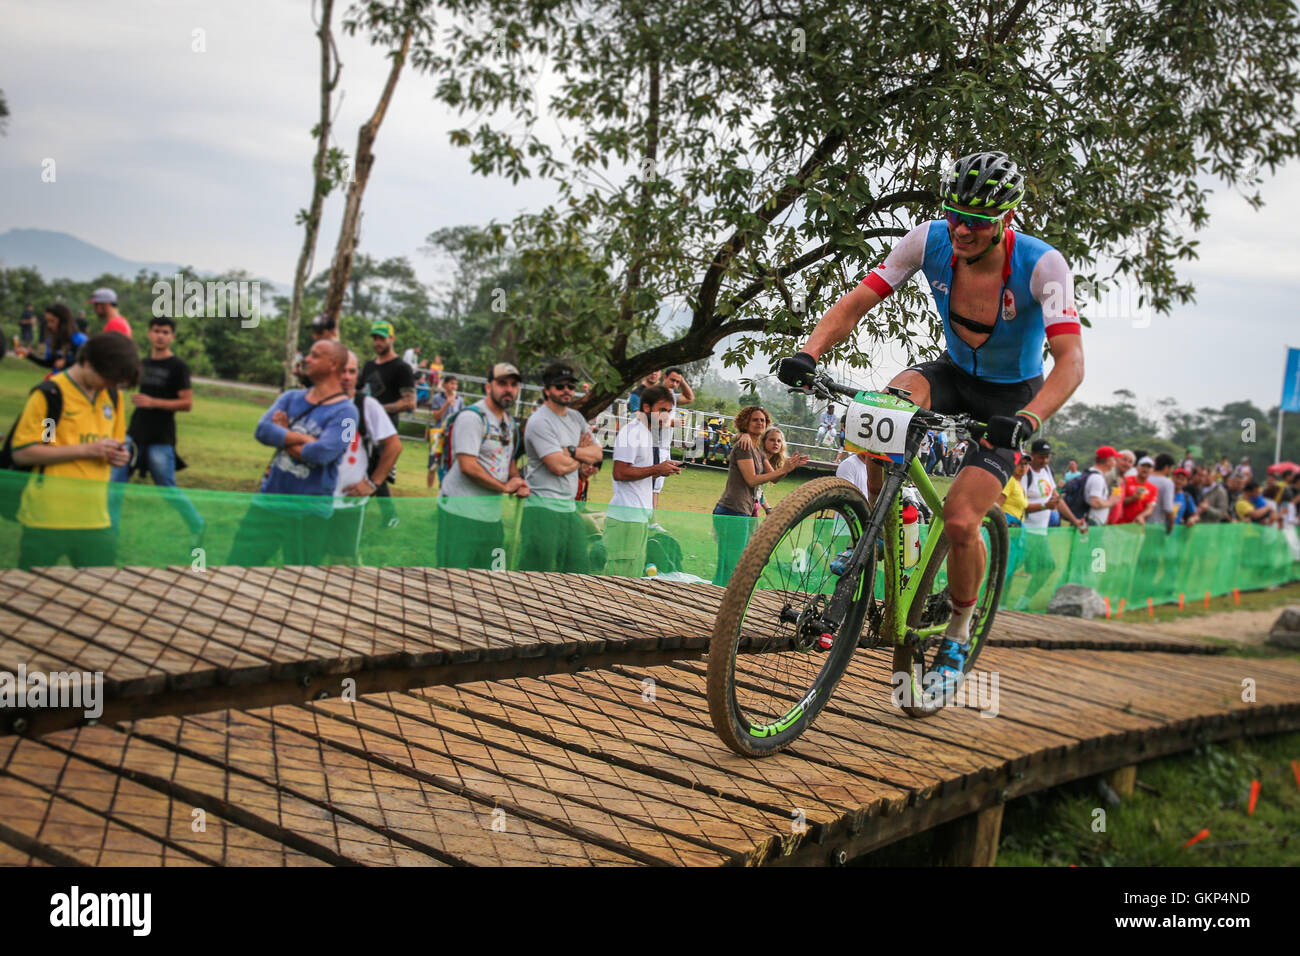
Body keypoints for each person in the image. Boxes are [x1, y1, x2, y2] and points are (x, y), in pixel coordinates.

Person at [777, 150, 1083, 689]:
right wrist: (810, 353)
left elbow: (1071, 364)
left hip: (1010, 398)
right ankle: (878, 526)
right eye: (954, 214)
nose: (962, 229)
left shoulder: (1042, 265)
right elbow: (856, 303)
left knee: (963, 521)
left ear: (1005, 219)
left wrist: (1028, 421)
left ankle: (959, 634)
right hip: (951, 372)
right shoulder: (928, 239)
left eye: (978, 220)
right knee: (881, 413)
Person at [8, 334, 140, 569]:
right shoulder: (51, 396)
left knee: (97, 597)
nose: (110, 384)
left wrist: (119, 456)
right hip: (47, 520)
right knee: (33, 597)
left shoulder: (112, 396)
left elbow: (115, 442)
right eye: (107, 377)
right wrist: (86, 449)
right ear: (87, 362)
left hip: (96, 520)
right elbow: (27, 451)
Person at [227, 340, 352, 565]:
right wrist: (303, 439)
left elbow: (323, 453)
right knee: (237, 569)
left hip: (310, 515)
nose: (307, 359)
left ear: (333, 364)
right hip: (268, 504)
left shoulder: (349, 415)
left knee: (301, 587)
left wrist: (283, 435)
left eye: (315, 355)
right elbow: (262, 430)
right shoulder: (290, 398)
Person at [109, 316, 204, 546]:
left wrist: (153, 402)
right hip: (135, 433)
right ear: (149, 334)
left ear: (172, 336)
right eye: (156, 331)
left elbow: (186, 403)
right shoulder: (141, 364)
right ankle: (108, 534)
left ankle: (197, 524)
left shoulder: (178, 367)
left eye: (165, 332)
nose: (160, 336)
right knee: (114, 484)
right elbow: (123, 385)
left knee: (166, 486)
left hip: (161, 437)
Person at [436, 362, 529, 569]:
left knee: (488, 584)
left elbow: (508, 458)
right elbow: (468, 466)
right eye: (502, 383)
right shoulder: (472, 417)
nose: (509, 389)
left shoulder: (509, 422)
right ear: (488, 387)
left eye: (514, 385)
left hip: (491, 518)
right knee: (452, 583)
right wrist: (504, 487)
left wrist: (516, 480)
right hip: (460, 516)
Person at [519, 362, 604, 572]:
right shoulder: (540, 421)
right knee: (536, 574)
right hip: (542, 508)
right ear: (547, 390)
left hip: (569, 508)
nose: (567, 390)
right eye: (560, 386)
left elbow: (598, 454)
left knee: (578, 571)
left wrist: (571, 451)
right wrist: (581, 454)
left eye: (571, 386)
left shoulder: (576, 418)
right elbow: (556, 465)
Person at [712, 406, 808, 585]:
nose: (759, 423)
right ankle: (721, 601)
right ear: (745, 423)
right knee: (732, 564)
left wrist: (789, 468)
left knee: (730, 564)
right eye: (754, 420)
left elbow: (775, 479)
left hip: (743, 512)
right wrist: (740, 435)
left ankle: (719, 599)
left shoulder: (758, 451)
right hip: (731, 510)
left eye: (762, 420)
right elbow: (751, 480)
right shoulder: (744, 446)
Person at [324, 350, 403, 564]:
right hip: (313, 499)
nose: (346, 376)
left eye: (352, 371)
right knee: (304, 561)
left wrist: (373, 483)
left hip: (348, 502)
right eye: (342, 371)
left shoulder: (366, 405)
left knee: (342, 563)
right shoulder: (313, 401)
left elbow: (394, 446)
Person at [606, 386, 679, 576]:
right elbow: (620, 473)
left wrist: (662, 470)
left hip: (640, 517)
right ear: (646, 408)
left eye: (669, 411)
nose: (666, 416)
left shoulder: (649, 434)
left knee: (633, 574)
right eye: (662, 410)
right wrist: (656, 468)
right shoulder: (631, 432)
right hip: (625, 517)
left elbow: (640, 473)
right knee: (617, 576)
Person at [359, 320, 416, 527]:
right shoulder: (369, 366)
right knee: (367, 468)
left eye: (382, 338)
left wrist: (377, 412)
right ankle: (384, 515)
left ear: (392, 339)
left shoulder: (401, 368)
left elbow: (410, 402)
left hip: (385, 431)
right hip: (363, 429)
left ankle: (383, 515)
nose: (377, 342)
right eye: (375, 338)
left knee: (376, 470)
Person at [21, 304, 87, 373]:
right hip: (57, 380)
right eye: (47, 321)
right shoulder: (51, 340)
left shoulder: (80, 339)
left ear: (63, 321)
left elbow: (86, 362)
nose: (49, 325)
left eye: (52, 321)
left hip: (73, 381)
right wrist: (29, 355)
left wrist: (67, 363)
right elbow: (50, 363)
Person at [426, 375, 464, 489]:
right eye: (452, 383)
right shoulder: (438, 398)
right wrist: (446, 404)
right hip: (438, 432)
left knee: (450, 461)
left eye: (456, 384)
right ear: (445, 385)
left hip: (453, 434)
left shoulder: (459, 400)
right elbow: (436, 417)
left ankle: (444, 486)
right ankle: (429, 489)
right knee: (433, 461)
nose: (454, 386)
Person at [1083, 448, 1122, 526]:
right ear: (1108, 461)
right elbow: (1095, 503)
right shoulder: (1097, 478)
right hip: (1092, 522)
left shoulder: (1091, 472)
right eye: (1114, 459)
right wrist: (1111, 501)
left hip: (1090, 520)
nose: (1115, 463)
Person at [1118, 456, 1158, 524]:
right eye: (1143, 466)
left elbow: (1150, 508)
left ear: (1152, 470)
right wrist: (1132, 498)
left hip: (1136, 525)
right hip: (1119, 524)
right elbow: (1117, 502)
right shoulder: (1125, 480)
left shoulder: (1153, 488)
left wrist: (1141, 516)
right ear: (1137, 467)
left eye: (1149, 467)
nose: (1145, 469)